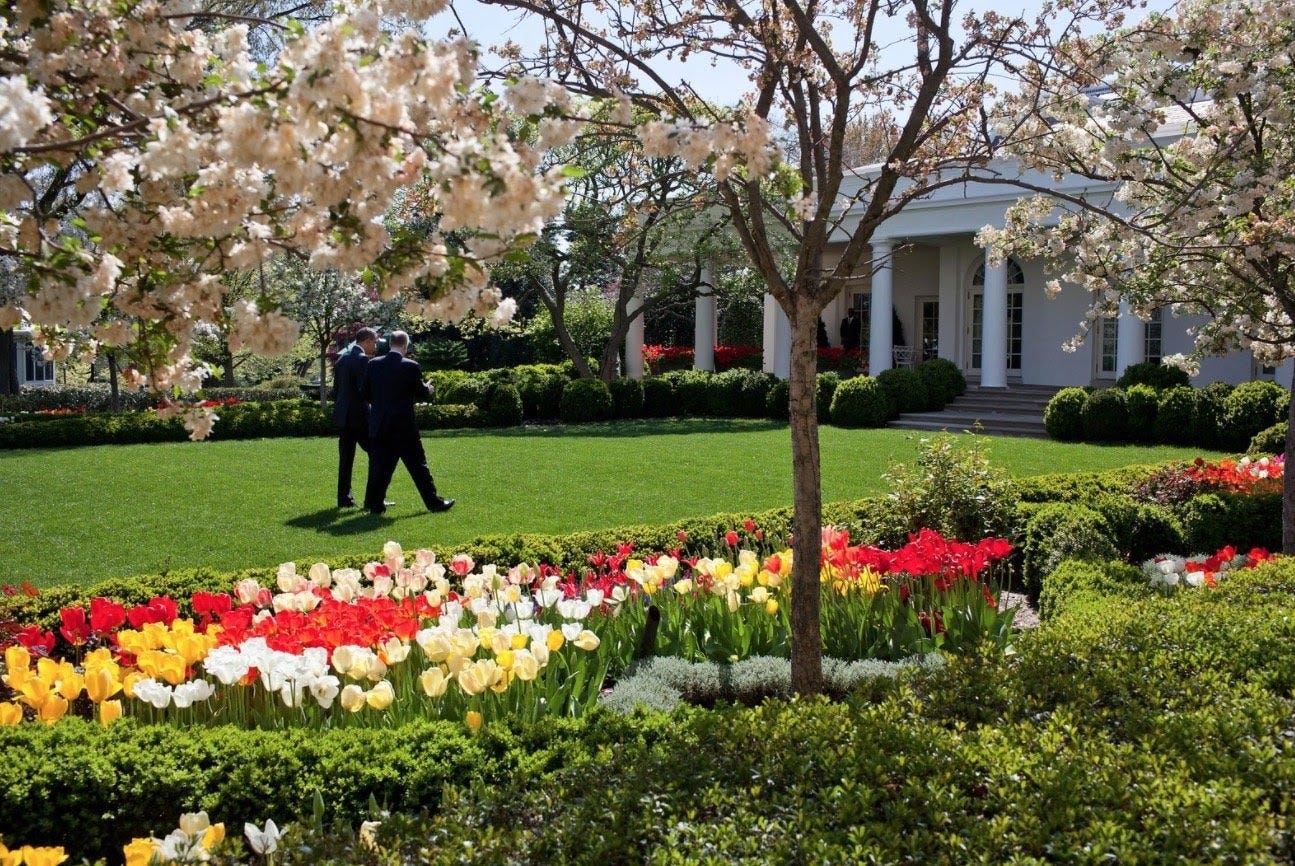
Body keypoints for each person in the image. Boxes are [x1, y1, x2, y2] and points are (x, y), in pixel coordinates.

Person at [360, 330, 454, 515]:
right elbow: (421, 393)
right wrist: (428, 388)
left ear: (389, 344)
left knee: (380, 468)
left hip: (380, 425)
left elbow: (365, 394)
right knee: (418, 466)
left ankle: (375, 504)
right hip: (404, 426)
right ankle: (433, 502)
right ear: (405, 345)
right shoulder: (411, 366)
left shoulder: (373, 365)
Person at [332, 326, 377, 508]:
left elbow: (336, 390)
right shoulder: (362, 360)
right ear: (366, 341)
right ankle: (374, 498)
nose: (375, 346)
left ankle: (344, 499)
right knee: (377, 454)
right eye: (374, 342)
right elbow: (365, 390)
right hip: (359, 417)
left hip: (343, 417)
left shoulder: (341, 360)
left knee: (346, 460)